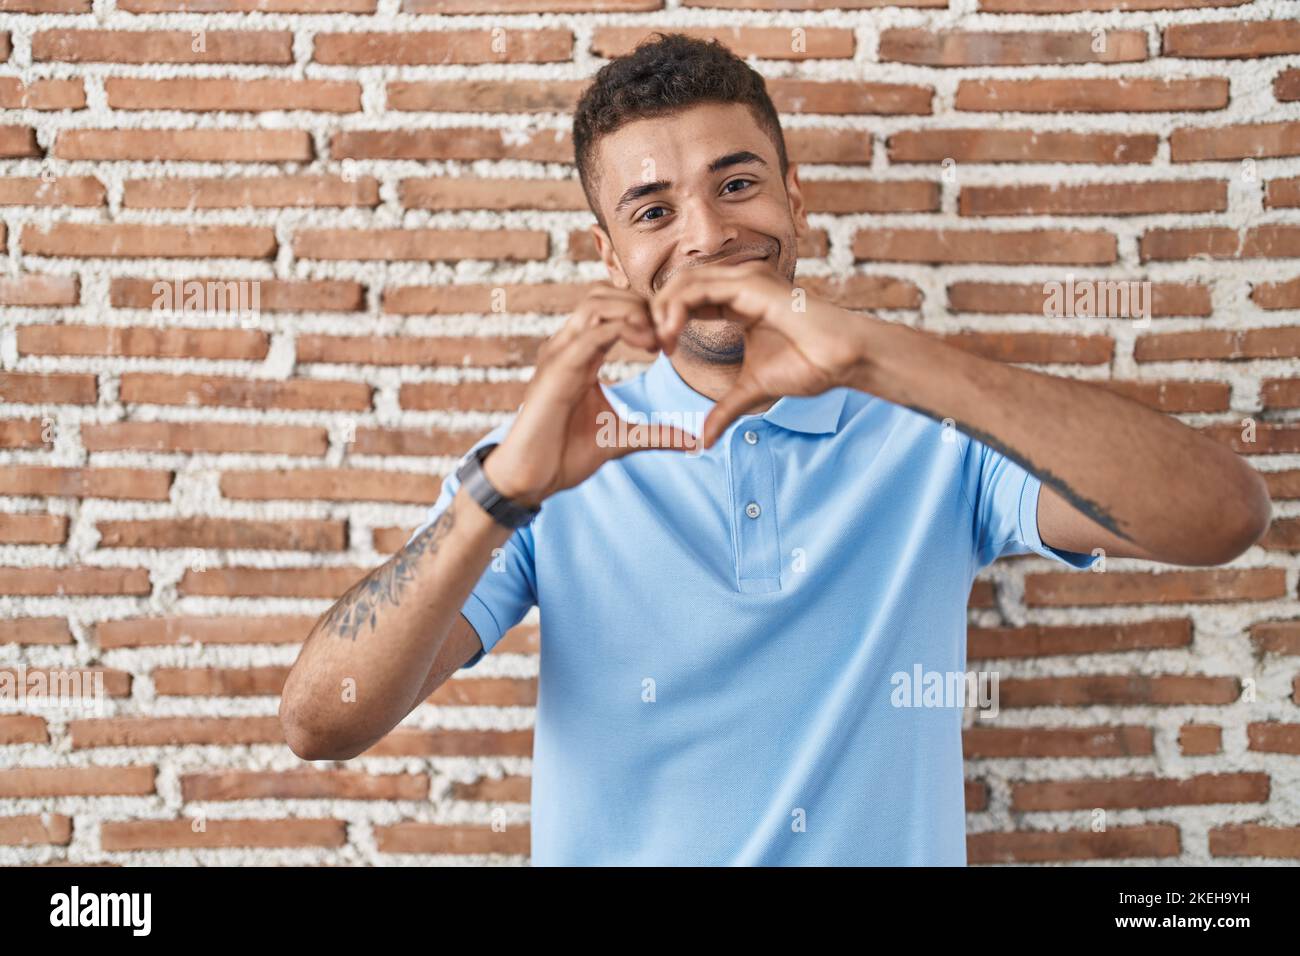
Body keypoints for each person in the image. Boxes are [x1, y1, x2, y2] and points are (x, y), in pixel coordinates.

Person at [279, 32, 1272, 865]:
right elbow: (325, 722)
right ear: (610, 253)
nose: (707, 232)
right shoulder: (548, 462)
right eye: (653, 208)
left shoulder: (935, 433)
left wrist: (881, 356)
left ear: (795, 198)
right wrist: (498, 493)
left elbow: (1222, 517)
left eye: (737, 182)